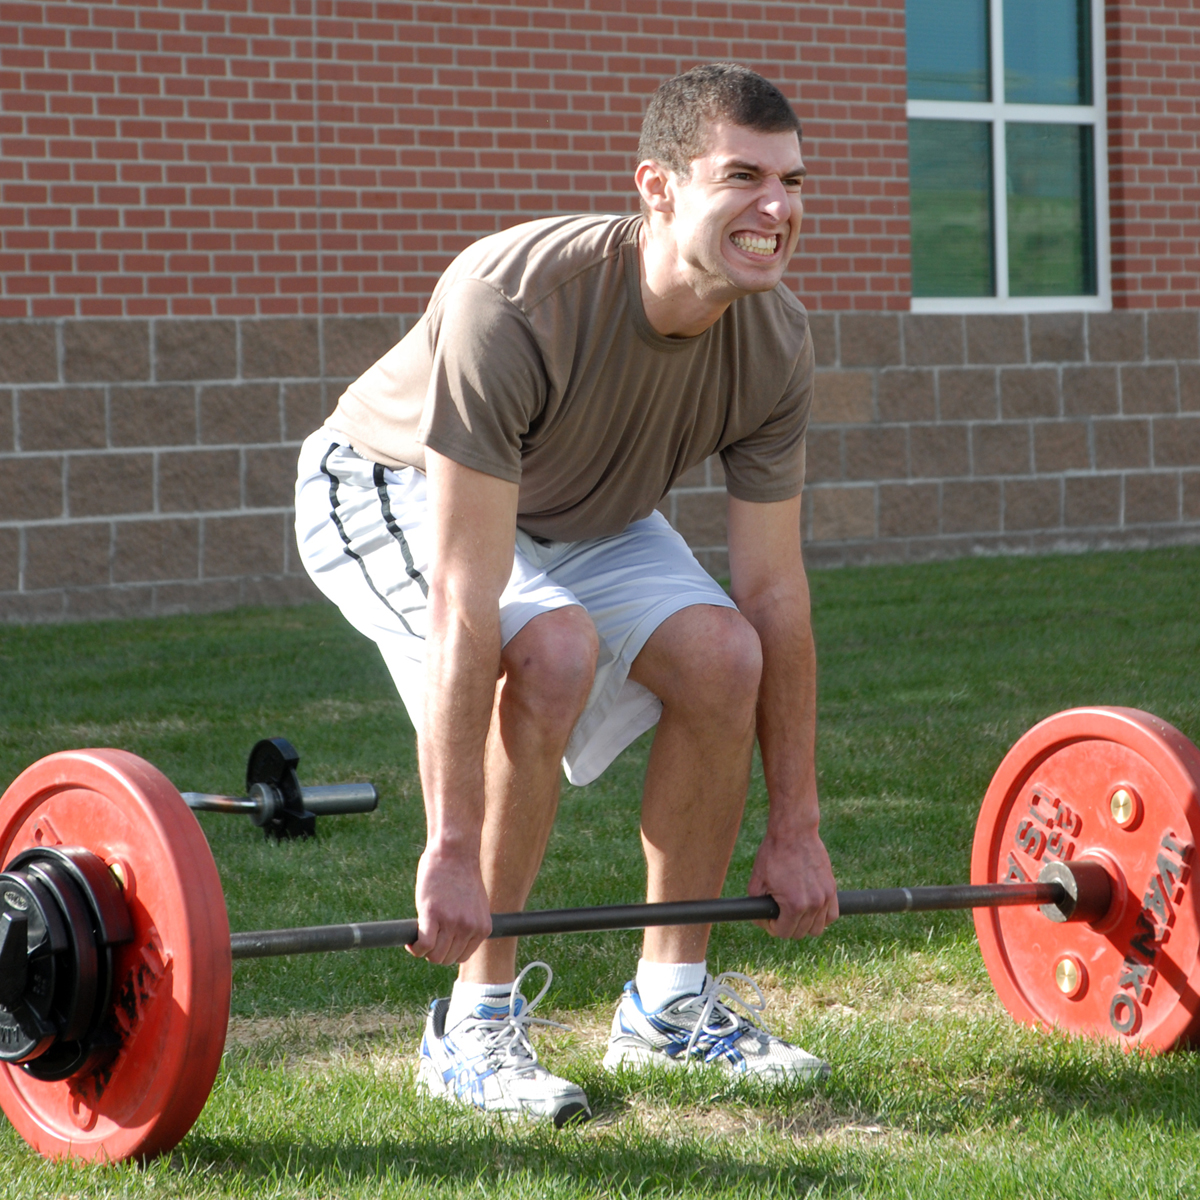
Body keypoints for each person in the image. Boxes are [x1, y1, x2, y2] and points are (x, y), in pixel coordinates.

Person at [294, 62, 839, 1127]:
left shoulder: (774, 339)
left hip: (586, 506)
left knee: (727, 657)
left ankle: (671, 1004)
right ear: (659, 187)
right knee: (547, 647)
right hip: (391, 483)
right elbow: (466, 594)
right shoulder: (514, 298)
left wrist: (799, 825)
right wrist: (449, 853)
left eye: (792, 180)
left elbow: (775, 592)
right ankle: (472, 1025)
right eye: (743, 176)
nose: (776, 208)